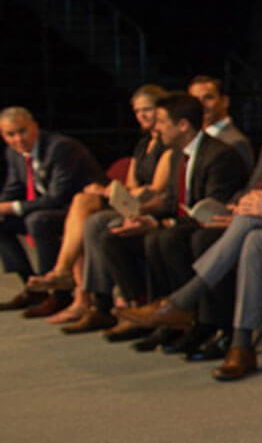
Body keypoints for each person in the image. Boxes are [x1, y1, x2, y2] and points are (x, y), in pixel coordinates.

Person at [117, 68, 262, 376]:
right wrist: (239, 203)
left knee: (239, 227)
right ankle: (241, 345)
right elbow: (254, 185)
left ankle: (181, 302)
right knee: (252, 241)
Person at [65, 93, 248, 338]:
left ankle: (188, 316)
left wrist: (161, 223)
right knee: (113, 238)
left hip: (204, 227)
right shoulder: (177, 155)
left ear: (182, 125)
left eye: (162, 121)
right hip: (181, 224)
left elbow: (211, 209)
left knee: (162, 238)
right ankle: (142, 309)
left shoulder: (219, 155)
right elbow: (171, 201)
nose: (156, 127)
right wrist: (145, 217)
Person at [31, 84, 175, 323]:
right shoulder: (143, 144)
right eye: (137, 111)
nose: (142, 116)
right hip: (131, 201)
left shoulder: (168, 146)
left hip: (151, 205)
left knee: (92, 221)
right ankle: (77, 290)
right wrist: (112, 191)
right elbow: (131, 184)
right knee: (82, 204)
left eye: (147, 110)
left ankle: (88, 295)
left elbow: (155, 190)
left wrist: (111, 192)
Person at [0, 107, 104, 309]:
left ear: (35, 127)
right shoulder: (14, 153)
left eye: (22, 131)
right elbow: (13, 189)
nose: (18, 139)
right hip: (50, 207)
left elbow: (57, 197)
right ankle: (33, 287)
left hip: (79, 208)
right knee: (3, 222)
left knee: (38, 220)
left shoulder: (60, 147)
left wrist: (11, 207)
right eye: (10, 135)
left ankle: (58, 292)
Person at [188, 75, 255, 168]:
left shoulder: (235, 142)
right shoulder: (191, 138)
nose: (201, 105)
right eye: (195, 100)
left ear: (224, 101)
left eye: (208, 98)